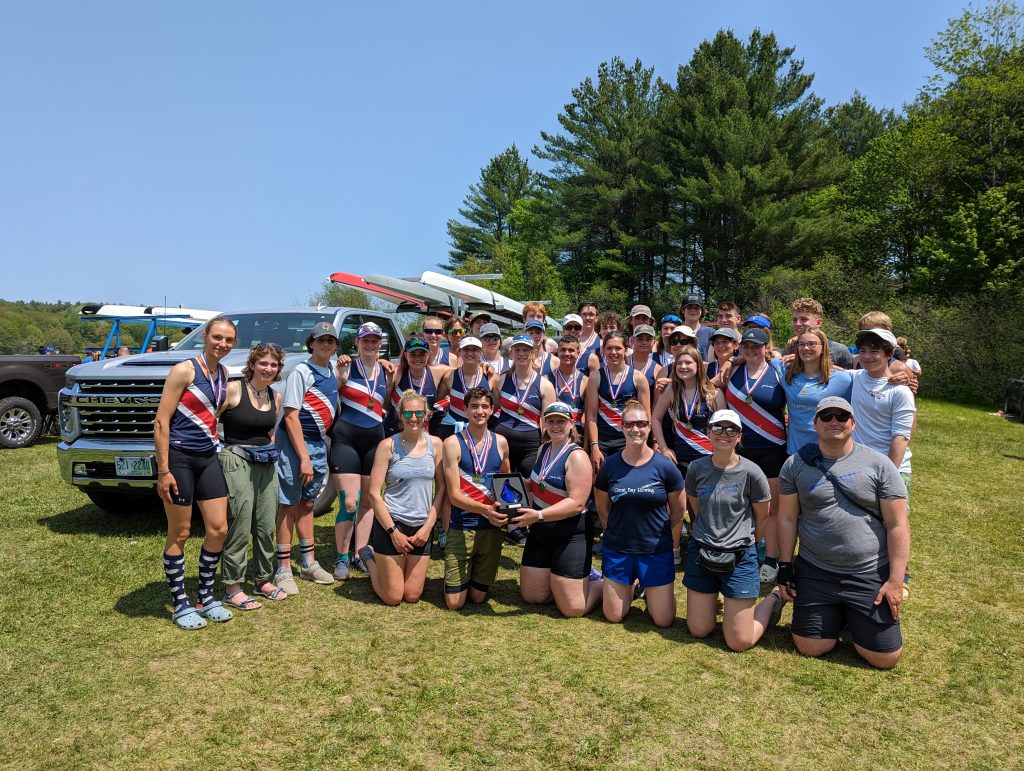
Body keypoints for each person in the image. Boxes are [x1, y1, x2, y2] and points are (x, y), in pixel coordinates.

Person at [777, 396, 910, 669]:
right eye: (826, 417)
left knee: (884, 658)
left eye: (841, 416)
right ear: (815, 424)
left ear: (853, 423)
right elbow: (788, 518)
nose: (834, 422)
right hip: (817, 569)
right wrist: (785, 566)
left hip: (867, 571)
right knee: (810, 646)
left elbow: (897, 525)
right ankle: (837, 612)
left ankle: (849, 614)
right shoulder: (795, 464)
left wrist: (896, 580)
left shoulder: (879, 464)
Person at [154, 316, 237, 630]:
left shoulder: (223, 372)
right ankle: (179, 604)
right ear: (206, 336)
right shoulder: (184, 370)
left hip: (207, 457)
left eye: (228, 340)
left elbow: (209, 416)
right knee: (181, 532)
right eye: (217, 337)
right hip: (179, 458)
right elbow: (162, 421)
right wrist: (164, 471)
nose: (222, 344)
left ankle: (205, 596)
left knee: (218, 528)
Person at [684, 409, 785, 650]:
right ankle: (719, 600)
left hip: (740, 557)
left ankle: (773, 600)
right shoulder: (696, 469)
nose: (724, 434)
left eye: (731, 430)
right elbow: (696, 510)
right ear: (708, 432)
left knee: (739, 641)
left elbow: (763, 517)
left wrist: (746, 542)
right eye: (718, 428)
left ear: (739, 436)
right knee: (699, 630)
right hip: (702, 554)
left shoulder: (752, 472)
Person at [595, 399, 685, 627]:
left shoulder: (664, 466)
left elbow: (679, 510)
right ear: (622, 426)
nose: (636, 429)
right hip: (619, 549)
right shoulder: (610, 465)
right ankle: (632, 586)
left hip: (655, 549)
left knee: (664, 620)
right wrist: (612, 530)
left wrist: (669, 540)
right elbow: (602, 506)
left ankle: (648, 587)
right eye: (630, 424)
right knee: (614, 616)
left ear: (649, 427)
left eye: (641, 424)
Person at [514, 402, 602, 616]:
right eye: (550, 421)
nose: (555, 426)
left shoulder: (577, 456)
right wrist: (525, 484)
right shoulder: (544, 448)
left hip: (569, 532)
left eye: (561, 421)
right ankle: (563, 579)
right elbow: (541, 482)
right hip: (541, 531)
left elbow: (577, 503)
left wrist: (539, 515)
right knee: (534, 597)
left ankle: (604, 583)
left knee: (573, 609)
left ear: (571, 424)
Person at [217, 342, 286, 610]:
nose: (268, 369)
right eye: (263, 363)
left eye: (273, 364)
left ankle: (262, 579)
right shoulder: (234, 389)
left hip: (266, 463)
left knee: (266, 523)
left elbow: (270, 433)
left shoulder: (275, 397)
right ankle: (232, 586)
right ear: (252, 364)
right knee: (240, 521)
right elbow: (209, 420)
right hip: (236, 460)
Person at [361, 390, 445, 605]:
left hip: (421, 526)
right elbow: (373, 493)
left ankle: (394, 562)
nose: (414, 419)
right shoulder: (387, 446)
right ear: (400, 417)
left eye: (419, 413)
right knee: (393, 598)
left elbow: (441, 489)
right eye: (408, 414)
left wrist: (428, 528)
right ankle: (369, 558)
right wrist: (393, 531)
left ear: (427, 414)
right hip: (393, 523)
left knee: (412, 596)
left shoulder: (436, 445)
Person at [717, 327, 787, 584]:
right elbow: (705, 386)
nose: (751, 351)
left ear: (766, 347)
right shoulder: (732, 370)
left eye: (757, 346)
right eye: (746, 346)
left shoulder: (779, 370)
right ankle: (742, 551)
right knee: (740, 505)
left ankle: (771, 557)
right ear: (740, 347)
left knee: (771, 508)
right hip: (740, 450)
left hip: (773, 449)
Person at [274, 321, 339, 595]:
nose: (325, 344)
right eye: (320, 340)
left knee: (308, 503)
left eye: (330, 340)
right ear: (310, 343)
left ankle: (308, 562)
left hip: (318, 444)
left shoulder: (333, 369)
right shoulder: (302, 371)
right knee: (288, 504)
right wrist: (303, 458)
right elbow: (291, 415)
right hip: (295, 445)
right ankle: (283, 568)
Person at [441, 387, 511, 609]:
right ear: (465, 408)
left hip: (490, 529)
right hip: (462, 526)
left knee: (478, 598)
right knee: (454, 603)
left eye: (484, 407)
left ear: (492, 410)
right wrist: (485, 510)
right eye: (474, 406)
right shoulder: (452, 443)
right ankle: (462, 576)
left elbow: (506, 483)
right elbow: (453, 495)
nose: (479, 411)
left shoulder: (501, 442)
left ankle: (472, 576)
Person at [331, 322, 389, 580]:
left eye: (374, 340)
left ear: (380, 343)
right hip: (346, 440)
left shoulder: (387, 371)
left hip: (374, 440)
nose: (370, 344)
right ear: (357, 342)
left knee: (368, 500)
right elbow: (331, 393)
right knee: (350, 501)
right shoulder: (346, 366)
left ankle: (360, 553)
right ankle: (341, 557)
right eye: (365, 340)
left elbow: (383, 405)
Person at [651, 345, 717, 563]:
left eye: (688, 363)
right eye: (679, 363)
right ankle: (675, 549)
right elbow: (656, 418)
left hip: (707, 459)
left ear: (699, 366)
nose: (683, 367)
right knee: (678, 507)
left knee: (704, 507)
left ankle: (705, 547)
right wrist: (663, 447)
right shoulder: (672, 391)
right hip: (679, 459)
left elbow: (723, 423)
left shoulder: (712, 393)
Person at [492, 333, 556, 546]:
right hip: (504, 439)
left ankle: (524, 523)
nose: (521, 354)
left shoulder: (544, 384)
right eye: (517, 350)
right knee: (505, 481)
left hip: (530, 441)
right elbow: (492, 409)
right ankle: (510, 527)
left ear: (533, 352)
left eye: (525, 350)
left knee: (529, 483)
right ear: (511, 352)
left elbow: (547, 422)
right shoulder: (500, 380)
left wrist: (545, 447)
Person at [772, 328, 854, 455]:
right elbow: (761, 358)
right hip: (796, 451)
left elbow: (870, 377)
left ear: (823, 347)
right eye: (802, 344)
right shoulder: (786, 370)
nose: (806, 348)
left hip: (829, 452)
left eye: (812, 344)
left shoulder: (843, 379)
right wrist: (732, 361)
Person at [585, 331, 651, 473]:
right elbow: (591, 416)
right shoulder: (596, 377)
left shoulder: (638, 378)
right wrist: (594, 446)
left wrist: (644, 444)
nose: (613, 352)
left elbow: (646, 417)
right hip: (603, 442)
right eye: (609, 348)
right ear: (603, 350)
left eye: (618, 348)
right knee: (601, 486)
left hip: (629, 440)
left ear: (626, 350)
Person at [383, 337, 447, 438]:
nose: (417, 358)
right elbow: (385, 406)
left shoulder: (437, 372)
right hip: (395, 432)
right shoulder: (396, 372)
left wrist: (481, 364)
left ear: (428, 354)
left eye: (422, 354)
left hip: (421, 434)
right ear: (405, 355)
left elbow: (463, 369)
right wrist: (380, 361)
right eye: (412, 354)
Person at [435, 335, 491, 440]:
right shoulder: (449, 376)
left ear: (481, 352)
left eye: (474, 350)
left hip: (480, 428)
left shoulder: (490, 376)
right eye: (466, 349)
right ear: (460, 352)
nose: (470, 353)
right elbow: (436, 399)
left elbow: (494, 407)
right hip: (451, 427)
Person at [782, 298, 854, 369]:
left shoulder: (839, 351)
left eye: (804, 319)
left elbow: (851, 377)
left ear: (818, 322)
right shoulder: (790, 348)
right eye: (794, 320)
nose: (797, 323)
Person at [546, 335, 588, 438]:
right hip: (553, 434)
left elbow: (588, 418)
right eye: (563, 350)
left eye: (571, 350)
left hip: (576, 436)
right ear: (557, 352)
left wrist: (587, 445)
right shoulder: (546, 379)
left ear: (578, 353)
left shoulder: (586, 381)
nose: (566, 354)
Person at [679, 293, 714, 359]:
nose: (693, 310)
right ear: (683, 310)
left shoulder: (711, 334)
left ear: (702, 311)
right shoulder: (676, 333)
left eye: (697, 308)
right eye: (689, 308)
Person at [626, 325, 660, 391]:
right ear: (632, 340)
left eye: (648, 339)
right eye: (640, 339)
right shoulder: (622, 362)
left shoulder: (657, 370)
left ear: (654, 342)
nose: (644, 342)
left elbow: (658, 400)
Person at [573, 304, 602, 374]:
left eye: (591, 314)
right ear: (579, 317)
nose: (587, 317)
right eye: (584, 314)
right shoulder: (573, 338)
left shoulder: (601, 342)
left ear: (596, 318)